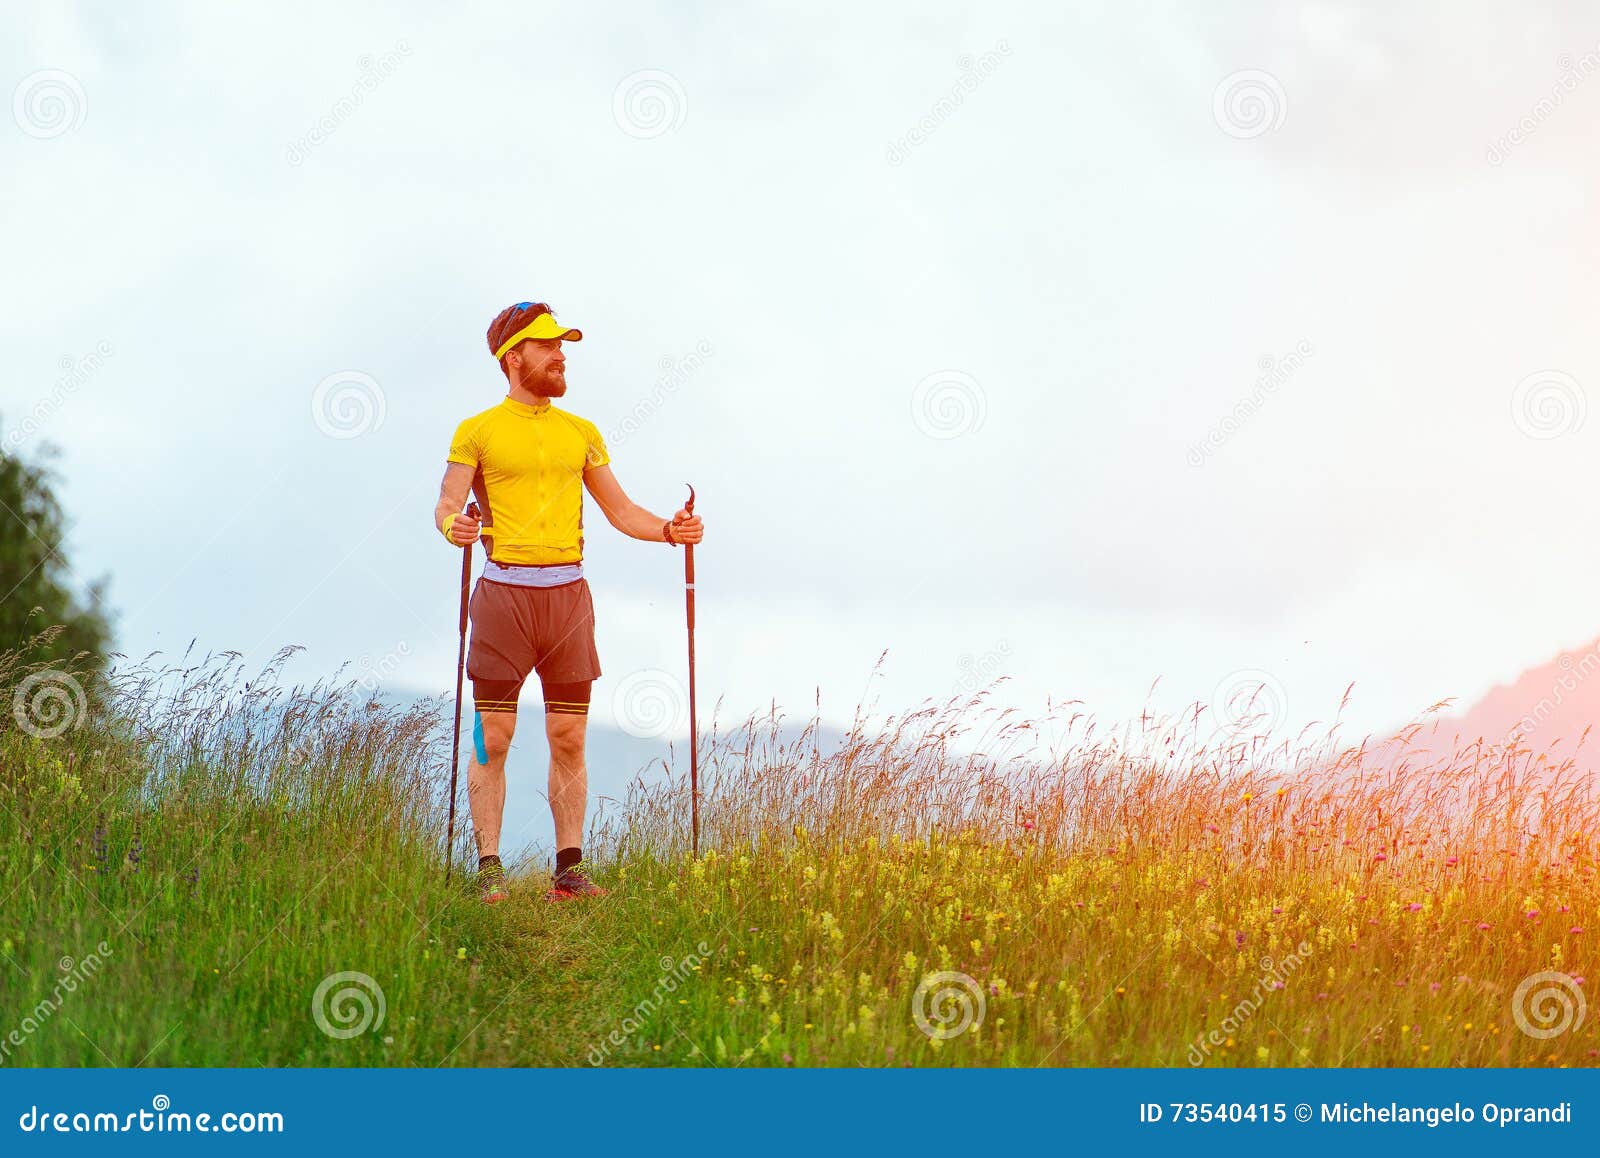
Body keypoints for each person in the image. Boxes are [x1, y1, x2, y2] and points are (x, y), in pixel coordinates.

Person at [433, 301, 704, 903]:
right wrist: (455, 526)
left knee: (568, 737)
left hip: (567, 599)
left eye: (563, 346)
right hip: (503, 597)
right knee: (492, 735)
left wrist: (669, 530)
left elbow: (622, 510)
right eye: (547, 345)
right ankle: (489, 871)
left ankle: (569, 873)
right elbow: (448, 503)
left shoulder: (581, 432)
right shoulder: (477, 430)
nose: (560, 355)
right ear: (513, 358)